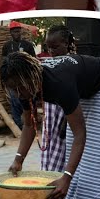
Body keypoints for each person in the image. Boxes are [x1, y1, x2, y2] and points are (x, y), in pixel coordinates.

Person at [2, 50, 100, 199]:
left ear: (32, 77)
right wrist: (18, 160)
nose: (18, 94)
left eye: (20, 88)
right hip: (86, 89)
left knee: (98, 149)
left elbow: (80, 134)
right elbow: (29, 125)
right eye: (13, 89)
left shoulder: (58, 83)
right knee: (71, 150)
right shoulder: (23, 87)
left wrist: (66, 178)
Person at [39, 25, 74, 173]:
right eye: (49, 48)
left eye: (55, 47)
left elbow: (75, 98)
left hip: (64, 119)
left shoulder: (72, 64)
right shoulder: (47, 64)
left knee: (62, 155)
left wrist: (66, 123)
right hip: (49, 119)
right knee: (48, 152)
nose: (51, 51)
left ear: (66, 44)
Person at [2, 23, 36, 124]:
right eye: (13, 31)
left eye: (17, 31)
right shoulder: (7, 46)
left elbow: (33, 60)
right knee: (15, 101)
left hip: (26, 78)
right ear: (10, 33)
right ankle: (19, 125)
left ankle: (31, 123)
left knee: (29, 99)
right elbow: (3, 60)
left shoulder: (27, 45)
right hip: (12, 78)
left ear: (21, 31)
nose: (16, 33)